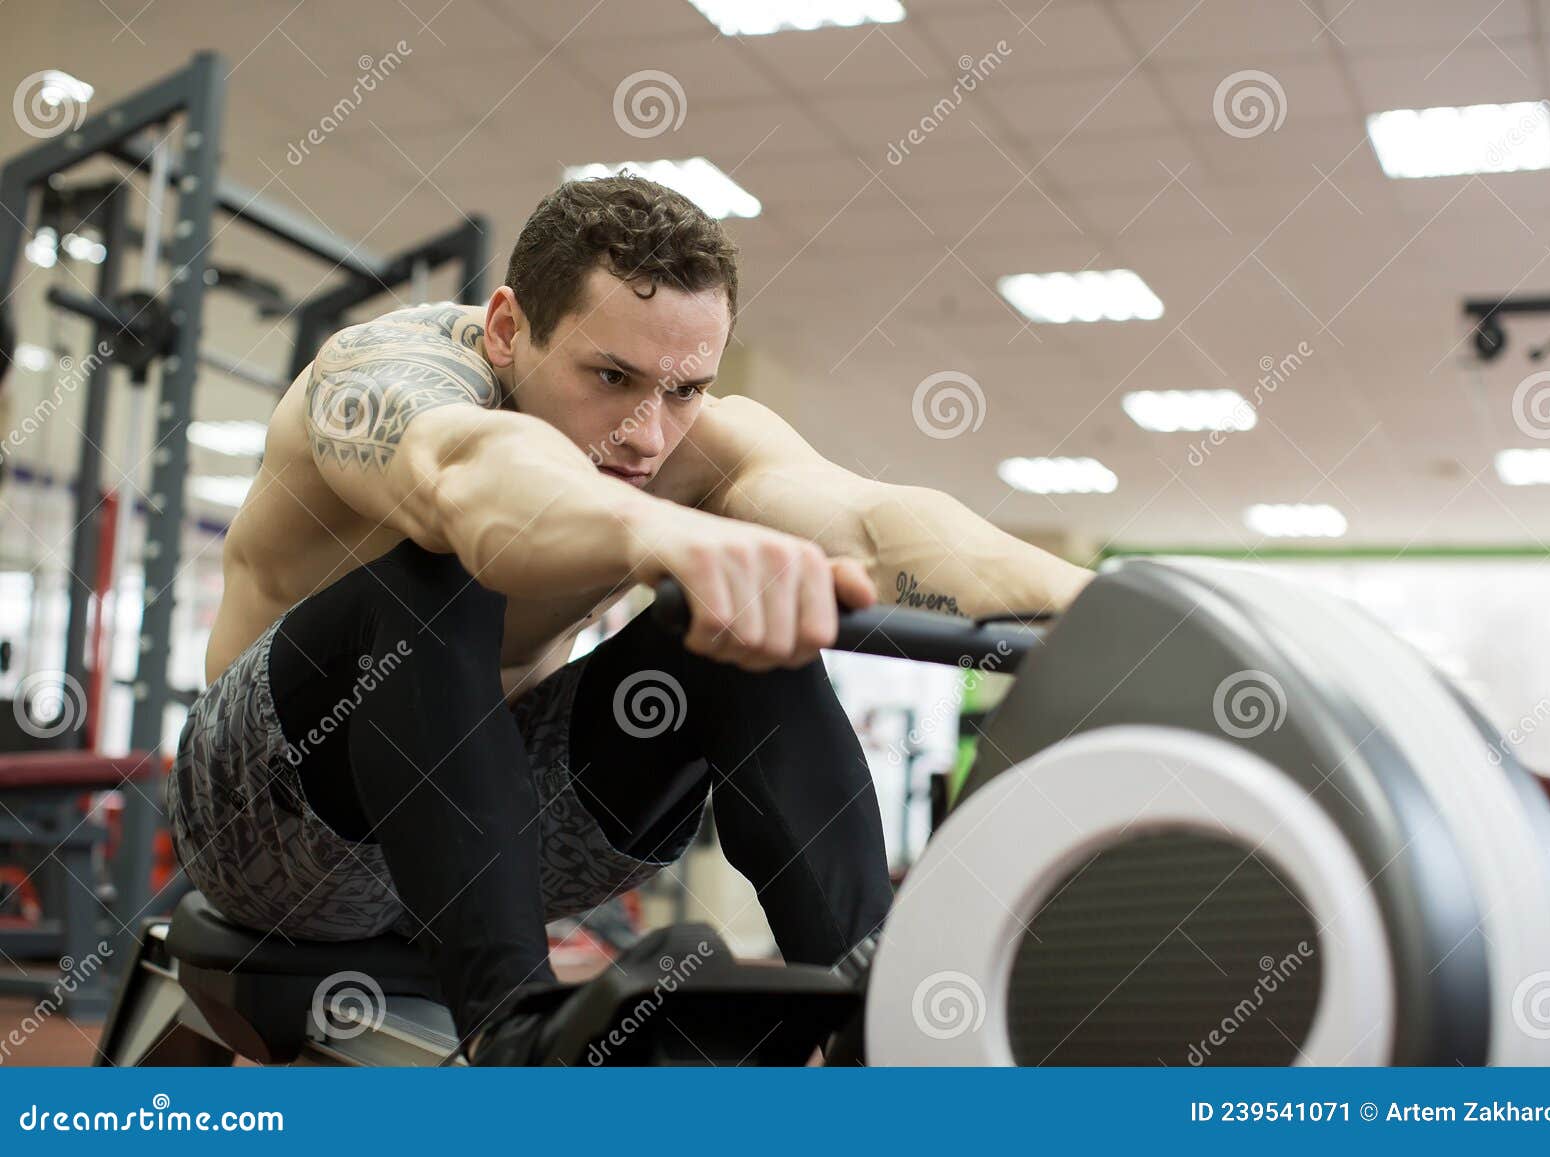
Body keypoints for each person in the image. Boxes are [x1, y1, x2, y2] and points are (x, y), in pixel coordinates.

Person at [166, 174, 1093, 1064]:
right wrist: (675, 538)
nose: (647, 434)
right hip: (277, 827)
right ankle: (514, 1039)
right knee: (437, 567)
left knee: (732, 631)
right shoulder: (392, 380)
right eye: (610, 375)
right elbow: (471, 482)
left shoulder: (690, 444)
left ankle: (891, 1027)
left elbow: (870, 522)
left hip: (506, 836)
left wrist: (1122, 609)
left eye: (684, 390)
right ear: (504, 328)